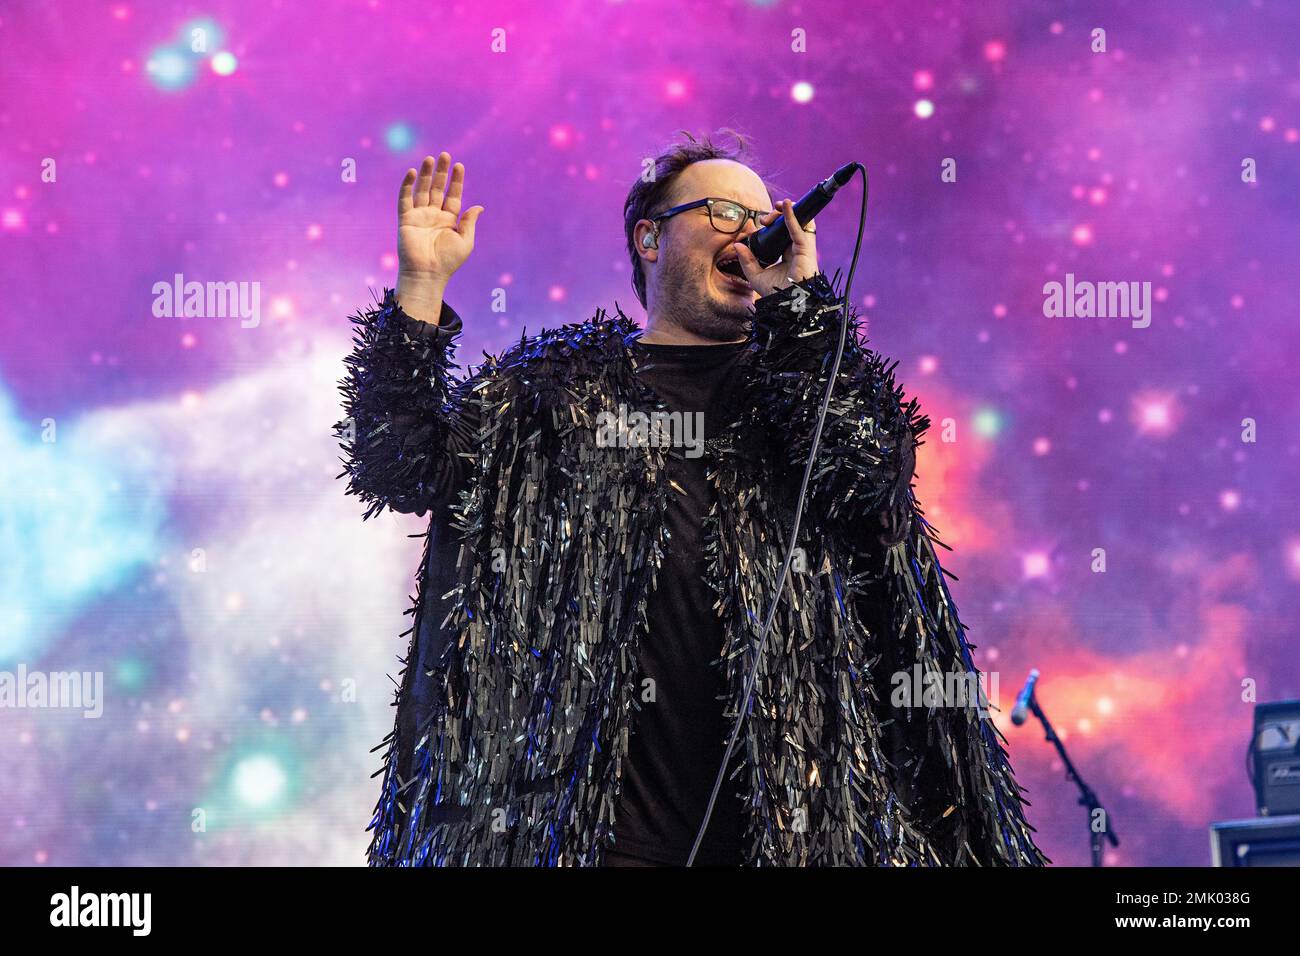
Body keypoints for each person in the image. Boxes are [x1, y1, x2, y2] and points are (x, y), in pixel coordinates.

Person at [337, 130, 1048, 867]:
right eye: (720, 210)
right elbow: (396, 465)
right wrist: (420, 289)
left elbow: (872, 475)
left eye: (762, 215)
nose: (753, 230)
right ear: (650, 238)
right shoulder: (550, 391)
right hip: (576, 834)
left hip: (792, 834)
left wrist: (800, 307)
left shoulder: (803, 389)